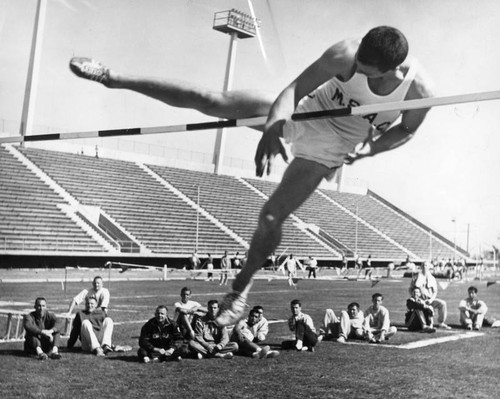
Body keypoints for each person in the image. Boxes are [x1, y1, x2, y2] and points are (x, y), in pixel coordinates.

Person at [69, 26, 433, 326]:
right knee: (211, 100)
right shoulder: (345, 53)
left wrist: (370, 149)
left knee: (271, 216)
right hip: (305, 112)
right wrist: (274, 125)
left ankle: (239, 290)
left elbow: (407, 131)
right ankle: (112, 76)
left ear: (390, 70)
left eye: (367, 72)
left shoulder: (418, 91)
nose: (357, 71)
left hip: (329, 151)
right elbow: (293, 90)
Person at [408, 261, 451, 329]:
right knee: (428, 309)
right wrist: (415, 298)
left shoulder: (432, 278)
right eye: (423, 265)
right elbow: (410, 289)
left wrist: (431, 300)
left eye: (426, 265)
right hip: (419, 301)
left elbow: (435, 292)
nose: (424, 267)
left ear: (428, 267)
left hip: (429, 300)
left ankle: (441, 322)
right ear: (421, 267)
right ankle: (428, 325)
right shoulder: (416, 277)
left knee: (442, 304)